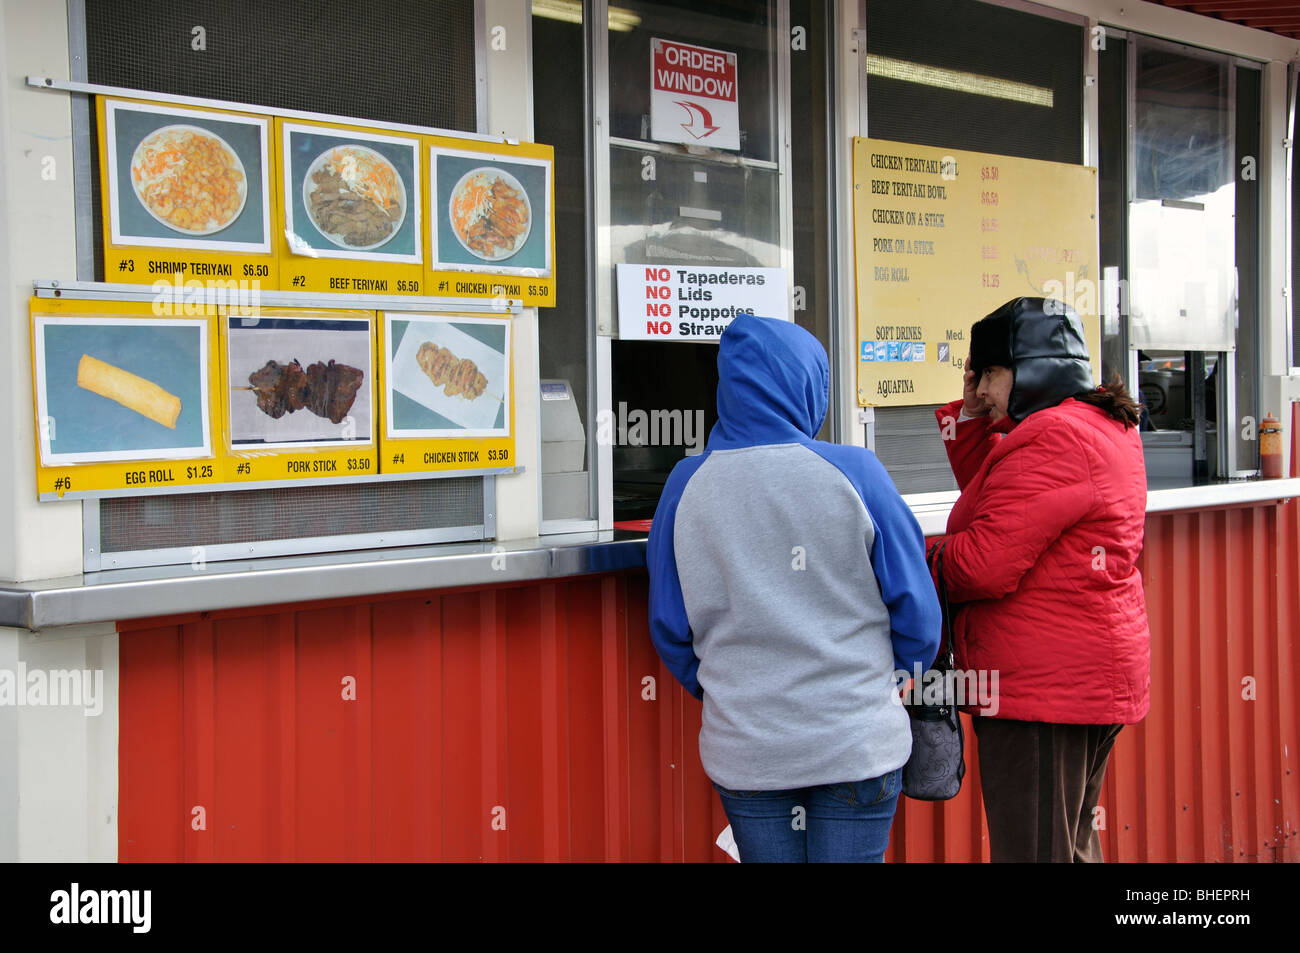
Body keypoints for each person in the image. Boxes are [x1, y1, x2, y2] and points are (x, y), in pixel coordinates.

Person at [647, 314, 941, 863]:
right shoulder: (856, 472)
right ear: (809, 384)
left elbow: (669, 625)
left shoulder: (686, 483)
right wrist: (889, 682)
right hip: (856, 739)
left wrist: (728, 692)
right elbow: (918, 616)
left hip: (749, 748)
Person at [931, 296, 1151, 863]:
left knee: (1036, 853)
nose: (978, 391)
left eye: (990, 375)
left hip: (1042, 692)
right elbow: (994, 492)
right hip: (1074, 679)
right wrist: (978, 409)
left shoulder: (1056, 437)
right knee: (1068, 848)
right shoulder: (1090, 424)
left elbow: (983, 561)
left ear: (1030, 369)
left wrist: (917, 559)